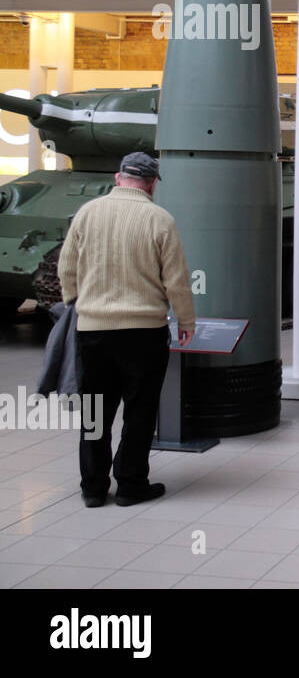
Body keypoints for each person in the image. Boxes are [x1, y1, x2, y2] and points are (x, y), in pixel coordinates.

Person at [57, 152, 195, 508]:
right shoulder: (159, 219)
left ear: (119, 178)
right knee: (140, 409)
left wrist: (76, 302)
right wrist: (186, 321)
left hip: (93, 331)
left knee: (94, 410)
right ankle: (131, 484)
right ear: (151, 184)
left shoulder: (88, 213)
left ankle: (93, 487)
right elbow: (177, 280)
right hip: (144, 332)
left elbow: (66, 266)